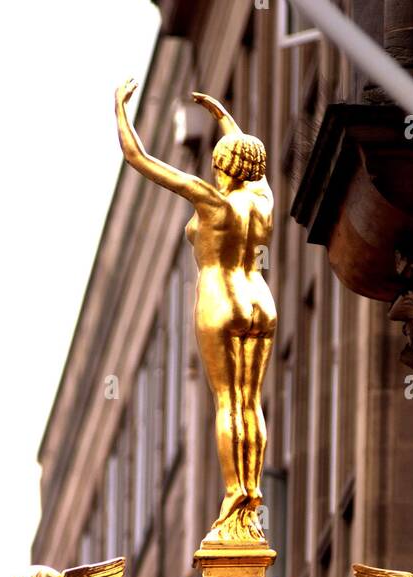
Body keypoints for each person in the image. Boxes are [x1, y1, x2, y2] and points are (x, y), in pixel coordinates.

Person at [115, 81, 277, 546]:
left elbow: (140, 160)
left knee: (228, 402)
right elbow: (252, 163)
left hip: (220, 299)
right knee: (252, 402)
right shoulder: (260, 201)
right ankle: (253, 491)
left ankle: (234, 495)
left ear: (221, 164)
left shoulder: (211, 200)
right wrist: (226, 118)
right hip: (259, 299)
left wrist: (121, 112)